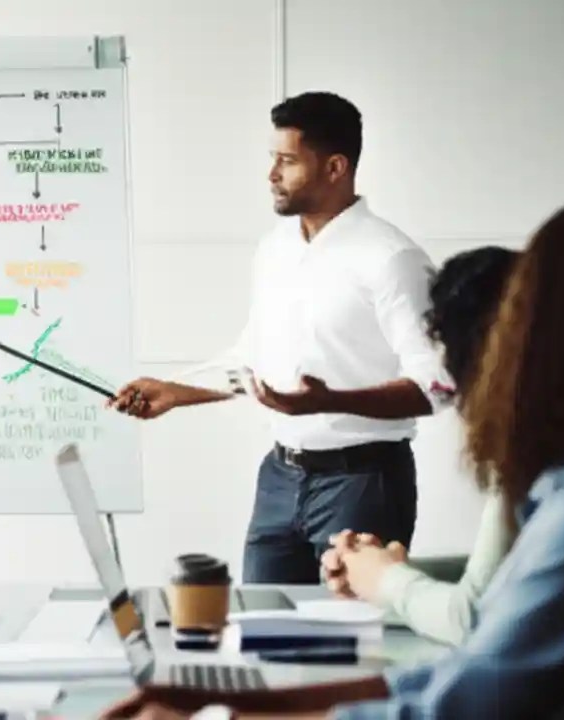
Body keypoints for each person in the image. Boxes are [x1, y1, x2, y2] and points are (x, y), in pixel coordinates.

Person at [101, 191, 564, 719]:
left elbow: (463, 697)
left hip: (357, 473)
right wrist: (220, 700)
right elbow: (459, 669)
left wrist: (230, 711)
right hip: (285, 473)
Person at [110, 92, 454, 583]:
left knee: (347, 648)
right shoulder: (275, 250)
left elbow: (440, 386)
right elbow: (256, 360)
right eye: (272, 159)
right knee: (261, 633)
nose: (271, 174)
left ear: (335, 167)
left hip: (363, 483)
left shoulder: (392, 259)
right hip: (279, 478)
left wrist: (330, 401)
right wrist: (175, 392)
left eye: (287, 161)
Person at [320, 247, 520, 646]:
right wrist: (384, 572)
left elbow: (473, 618)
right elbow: (505, 573)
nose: (447, 383)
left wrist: (387, 579)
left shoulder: (555, 461)